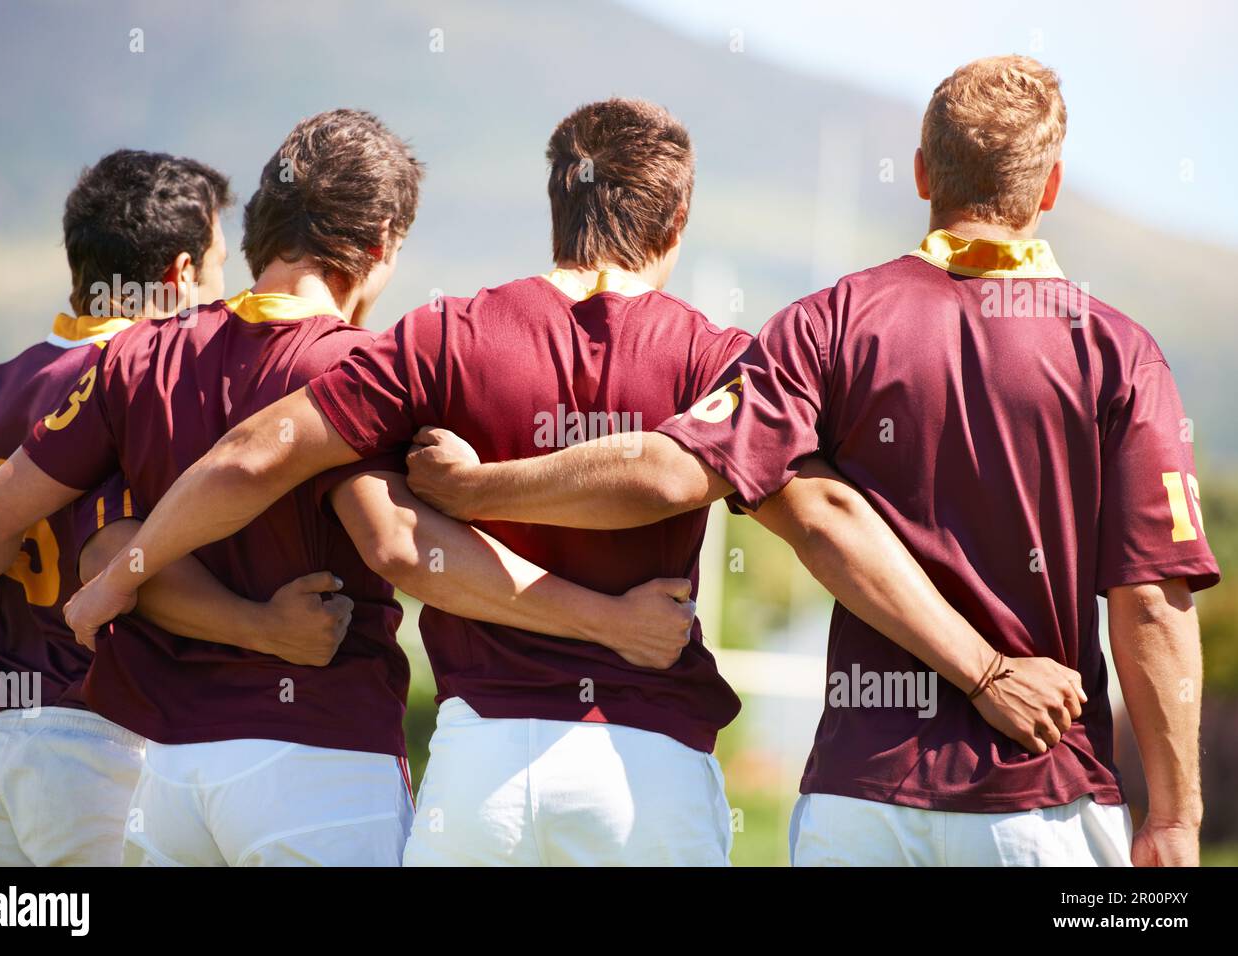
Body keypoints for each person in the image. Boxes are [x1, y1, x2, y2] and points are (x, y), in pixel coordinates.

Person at [61, 99, 1082, 866]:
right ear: (676, 221)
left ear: (556, 206)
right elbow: (819, 518)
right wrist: (985, 665)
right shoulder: (717, 354)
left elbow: (259, 460)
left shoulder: (446, 331)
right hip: (648, 766)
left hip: (476, 765)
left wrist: (120, 573)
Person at [406, 57, 1221, 867]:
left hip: (858, 802)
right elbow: (1150, 602)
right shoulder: (1120, 354)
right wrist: (1176, 815)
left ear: (921, 172)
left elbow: (676, 472)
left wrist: (474, 487)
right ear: (1049, 187)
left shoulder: (828, 324)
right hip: (1044, 801)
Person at [0, 149, 340, 864]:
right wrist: (265, 629)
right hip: (99, 750)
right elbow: (115, 562)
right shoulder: (135, 386)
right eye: (219, 269)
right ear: (181, 275)